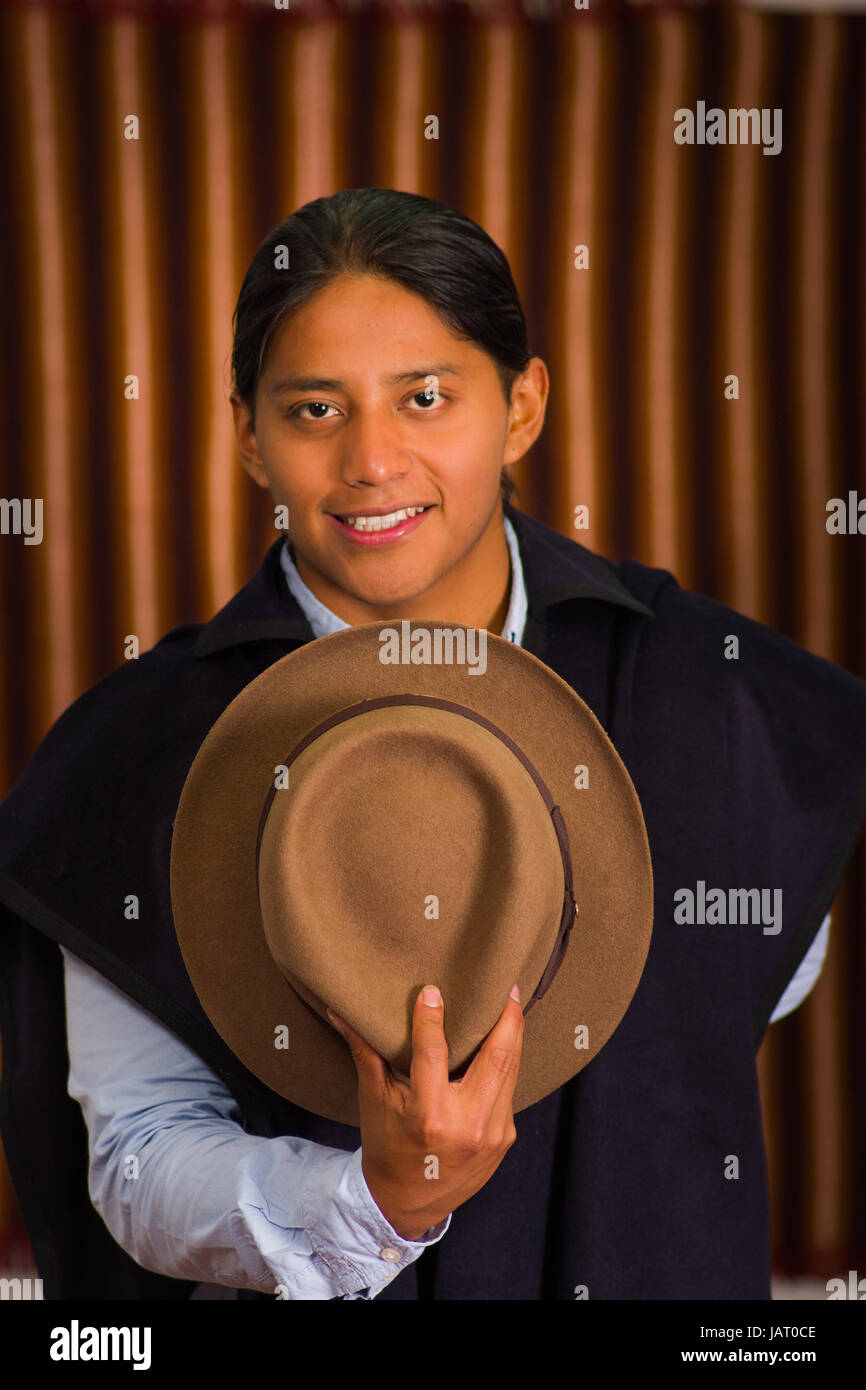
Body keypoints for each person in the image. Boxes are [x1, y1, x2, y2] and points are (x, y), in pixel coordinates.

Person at [0, 188, 864, 1301]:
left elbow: (754, 992)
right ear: (248, 438)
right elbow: (139, 1154)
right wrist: (376, 1200)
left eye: (423, 397)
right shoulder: (133, 753)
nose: (371, 459)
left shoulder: (719, 703)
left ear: (519, 405)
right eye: (313, 410)